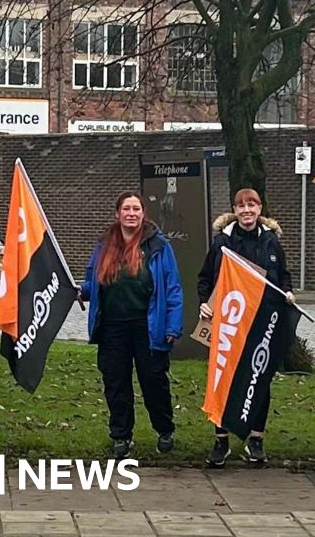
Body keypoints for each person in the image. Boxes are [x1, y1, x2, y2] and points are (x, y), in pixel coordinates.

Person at [80, 192, 184, 459]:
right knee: (116, 383)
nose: (131, 213)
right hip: (113, 327)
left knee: (153, 380)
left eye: (136, 209)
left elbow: (172, 288)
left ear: (143, 213)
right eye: (126, 209)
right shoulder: (104, 245)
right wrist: (82, 290)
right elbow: (94, 282)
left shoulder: (158, 246)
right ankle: (121, 436)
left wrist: (173, 326)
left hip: (148, 326)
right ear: (118, 214)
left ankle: (164, 430)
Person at [198, 188, 294, 467]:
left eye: (252, 205)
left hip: (262, 321)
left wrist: (287, 292)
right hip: (229, 322)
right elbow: (205, 279)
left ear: (260, 209)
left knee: (258, 378)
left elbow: (283, 276)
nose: (247, 210)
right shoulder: (221, 243)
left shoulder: (271, 243)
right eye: (241, 206)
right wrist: (204, 303)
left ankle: (256, 439)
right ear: (234, 210)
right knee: (222, 378)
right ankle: (221, 441)